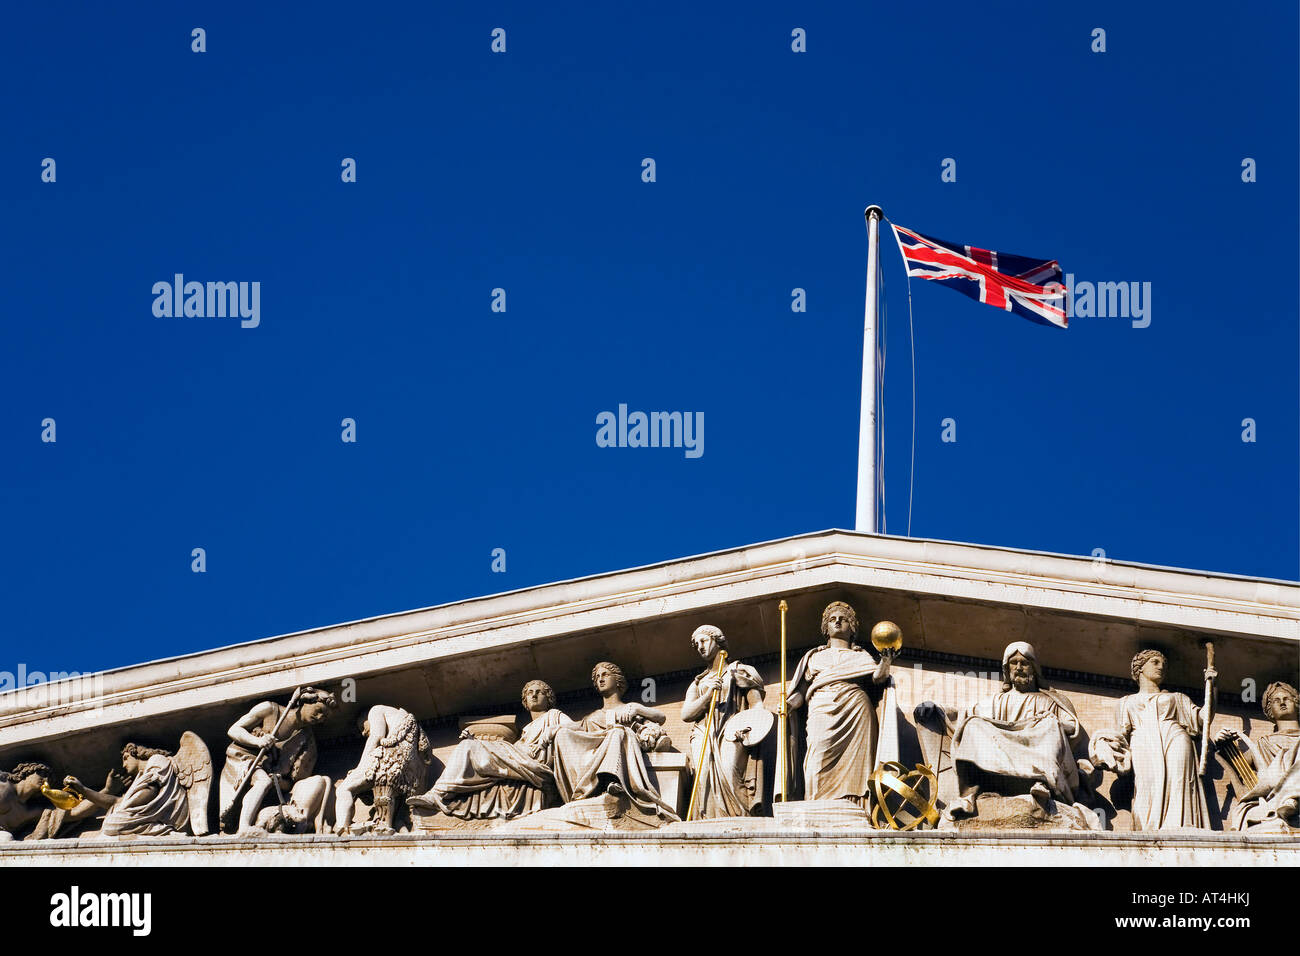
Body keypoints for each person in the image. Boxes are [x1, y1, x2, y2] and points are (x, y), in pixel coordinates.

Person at [925, 641, 1094, 818]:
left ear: (1034, 668)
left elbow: (1072, 727)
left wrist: (1049, 721)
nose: (1019, 667)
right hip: (1002, 751)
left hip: (1035, 748)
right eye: (1014, 663)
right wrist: (938, 711)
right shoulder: (997, 701)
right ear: (1007, 669)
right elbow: (964, 715)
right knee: (973, 724)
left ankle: (1043, 785)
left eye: (1024, 663)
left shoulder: (1051, 701)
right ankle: (971, 795)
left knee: (1051, 725)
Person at [411, 680, 571, 820]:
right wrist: (476, 742)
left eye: (539, 692)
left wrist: (552, 731)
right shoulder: (527, 729)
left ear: (548, 698)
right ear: (525, 700)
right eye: (530, 692)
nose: (534, 695)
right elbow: (515, 751)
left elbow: (576, 728)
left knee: (468, 748)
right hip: (519, 759)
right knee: (468, 746)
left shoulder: (554, 715)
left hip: (533, 763)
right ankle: (440, 792)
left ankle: (437, 794)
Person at [1090, 650, 1212, 829]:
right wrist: (1103, 744)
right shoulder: (1126, 702)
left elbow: (1203, 719)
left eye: (1164, 664)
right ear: (1139, 668)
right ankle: (1149, 829)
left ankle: (1181, 826)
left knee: (1180, 781)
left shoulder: (1177, 698)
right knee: (1146, 785)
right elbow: (1121, 735)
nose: (1161, 667)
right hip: (1142, 743)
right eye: (1155, 662)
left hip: (1176, 738)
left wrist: (1212, 688)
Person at [787, 602, 894, 804]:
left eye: (843, 619)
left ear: (852, 627)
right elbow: (800, 692)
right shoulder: (814, 657)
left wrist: (886, 661)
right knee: (817, 752)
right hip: (821, 706)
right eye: (832, 619)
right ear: (825, 628)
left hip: (855, 708)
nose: (837, 621)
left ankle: (852, 804)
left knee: (855, 763)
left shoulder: (861, 656)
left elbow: (878, 678)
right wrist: (789, 705)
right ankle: (815, 802)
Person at [550, 662, 679, 821]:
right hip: (594, 752)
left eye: (605, 675)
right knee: (563, 734)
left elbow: (661, 717)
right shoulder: (593, 716)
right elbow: (574, 728)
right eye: (597, 677)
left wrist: (637, 710)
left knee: (618, 732)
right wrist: (552, 730)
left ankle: (612, 781)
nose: (600, 679)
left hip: (619, 743)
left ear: (617, 680)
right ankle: (582, 791)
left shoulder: (630, 707)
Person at [219, 686, 337, 833]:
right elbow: (234, 730)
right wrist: (257, 741)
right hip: (243, 757)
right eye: (319, 711)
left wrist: (281, 782)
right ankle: (244, 827)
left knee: (265, 781)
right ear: (305, 702)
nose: (320, 718)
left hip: (267, 778)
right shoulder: (269, 709)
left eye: (324, 717)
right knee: (263, 781)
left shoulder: (307, 741)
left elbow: (294, 783)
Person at [681, 625, 770, 818]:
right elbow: (686, 714)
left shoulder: (740, 671)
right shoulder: (698, 682)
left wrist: (751, 728)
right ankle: (708, 820)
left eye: (704, 641)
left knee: (730, 771)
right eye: (696, 644)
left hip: (732, 730)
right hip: (703, 732)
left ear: (717, 640)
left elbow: (757, 706)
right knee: (703, 776)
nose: (700, 647)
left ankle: (738, 818)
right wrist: (707, 697)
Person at [334, 703, 432, 834]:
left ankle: (341, 828)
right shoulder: (407, 722)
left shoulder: (375, 709)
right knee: (397, 815)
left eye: (361, 726)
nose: (363, 733)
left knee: (343, 789)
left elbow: (377, 736)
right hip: (405, 773)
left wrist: (360, 767)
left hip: (386, 760)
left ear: (366, 718)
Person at [1218, 681, 1300, 832]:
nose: (1282, 702)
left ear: (1297, 703)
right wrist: (1222, 743)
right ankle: (1290, 798)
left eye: (1287, 698)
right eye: (1276, 700)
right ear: (1270, 711)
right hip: (1275, 793)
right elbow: (1237, 765)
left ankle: (1292, 799)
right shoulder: (1263, 744)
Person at [0, 762, 53, 841]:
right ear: (27, 772)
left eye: (48, 778)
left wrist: (78, 791)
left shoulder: (32, 810)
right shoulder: (3, 784)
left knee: (7, 838)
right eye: (41, 774)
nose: (45, 779)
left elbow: (67, 814)